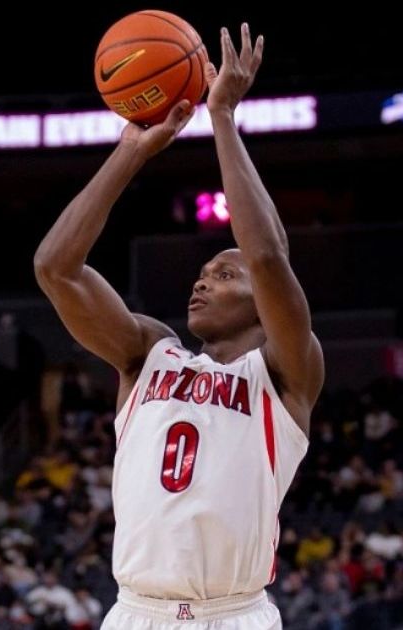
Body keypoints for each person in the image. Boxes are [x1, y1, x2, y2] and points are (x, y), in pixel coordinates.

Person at [34, 24, 323, 629]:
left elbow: (267, 254)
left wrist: (222, 118)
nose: (202, 282)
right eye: (201, 273)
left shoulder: (284, 374)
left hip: (233, 615)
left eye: (223, 275)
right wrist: (132, 151)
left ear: (261, 301)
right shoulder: (148, 354)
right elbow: (55, 268)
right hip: (136, 613)